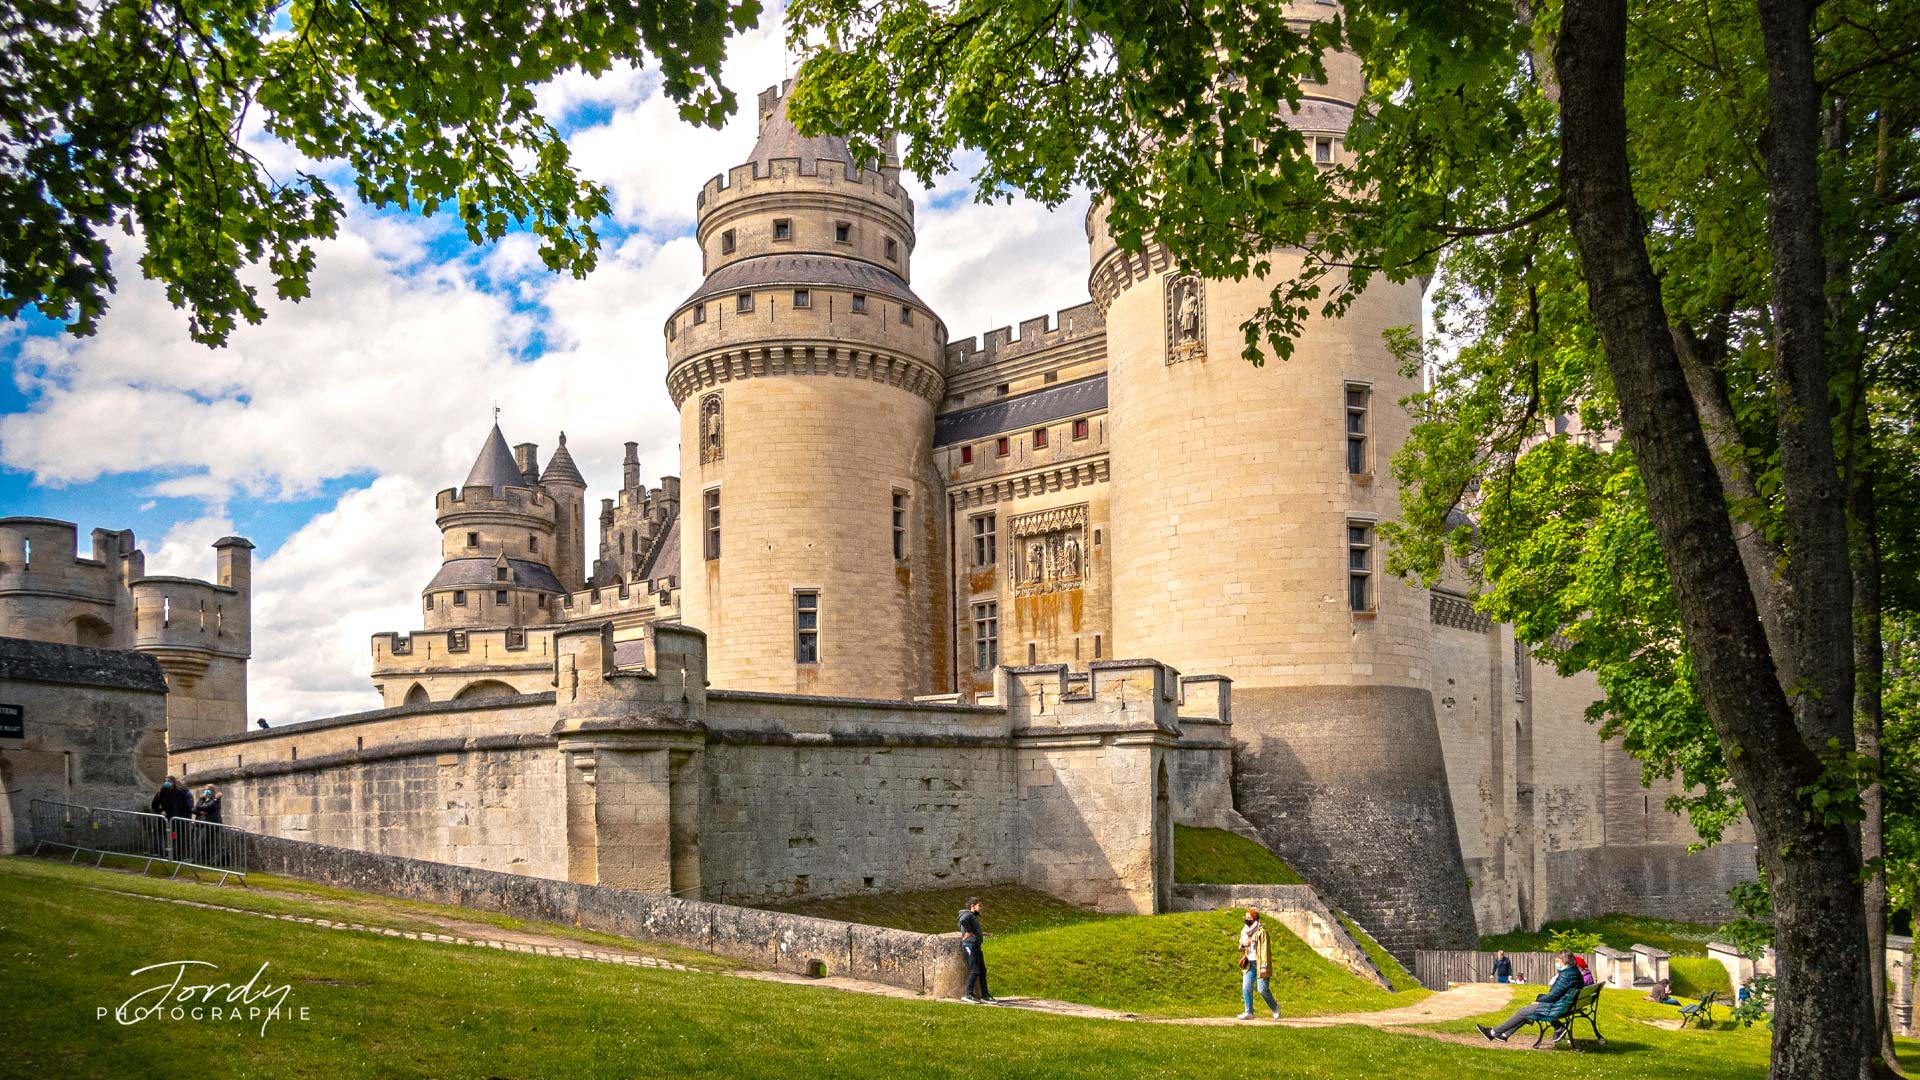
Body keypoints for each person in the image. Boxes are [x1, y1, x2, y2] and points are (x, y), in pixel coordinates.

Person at [1476, 950, 1586, 1042]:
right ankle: (1504, 1035)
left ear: (1564, 961)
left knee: (1523, 1012)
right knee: (1527, 1012)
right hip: (1564, 1005)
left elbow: (1553, 996)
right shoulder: (1574, 973)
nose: (1556, 964)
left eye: (1557, 961)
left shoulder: (1566, 976)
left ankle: (1493, 1032)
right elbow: (1556, 994)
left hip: (1557, 1007)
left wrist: (1539, 1000)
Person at [1237, 908, 1281, 1020]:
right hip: (1249, 963)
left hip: (1261, 963)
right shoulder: (1244, 931)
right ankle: (1249, 1012)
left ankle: (1275, 1007)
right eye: (1246, 918)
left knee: (1262, 989)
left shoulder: (1262, 932)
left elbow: (1265, 950)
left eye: (1250, 918)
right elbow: (1240, 946)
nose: (1247, 920)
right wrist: (1243, 944)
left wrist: (1264, 966)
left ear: (1255, 919)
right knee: (1246, 987)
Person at [958, 898, 994, 1003]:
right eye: (979, 906)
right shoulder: (967, 914)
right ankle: (968, 994)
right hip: (970, 946)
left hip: (976, 946)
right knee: (975, 970)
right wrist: (969, 931)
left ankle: (985, 995)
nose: (981, 908)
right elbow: (962, 921)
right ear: (972, 906)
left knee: (983, 971)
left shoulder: (972, 916)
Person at [149, 777, 193, 859]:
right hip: (164, 820)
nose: (167, 782)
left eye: (169, 781)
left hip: (175, 820)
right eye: (165, 781)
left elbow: (185, 806)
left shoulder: (179, 793)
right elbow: (154, 805)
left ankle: (175, 855)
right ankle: (161, 853)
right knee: (160, 835)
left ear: (173, 782)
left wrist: (183, 817)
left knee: (174, 837)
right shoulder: (160, 793)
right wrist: (160, 811)